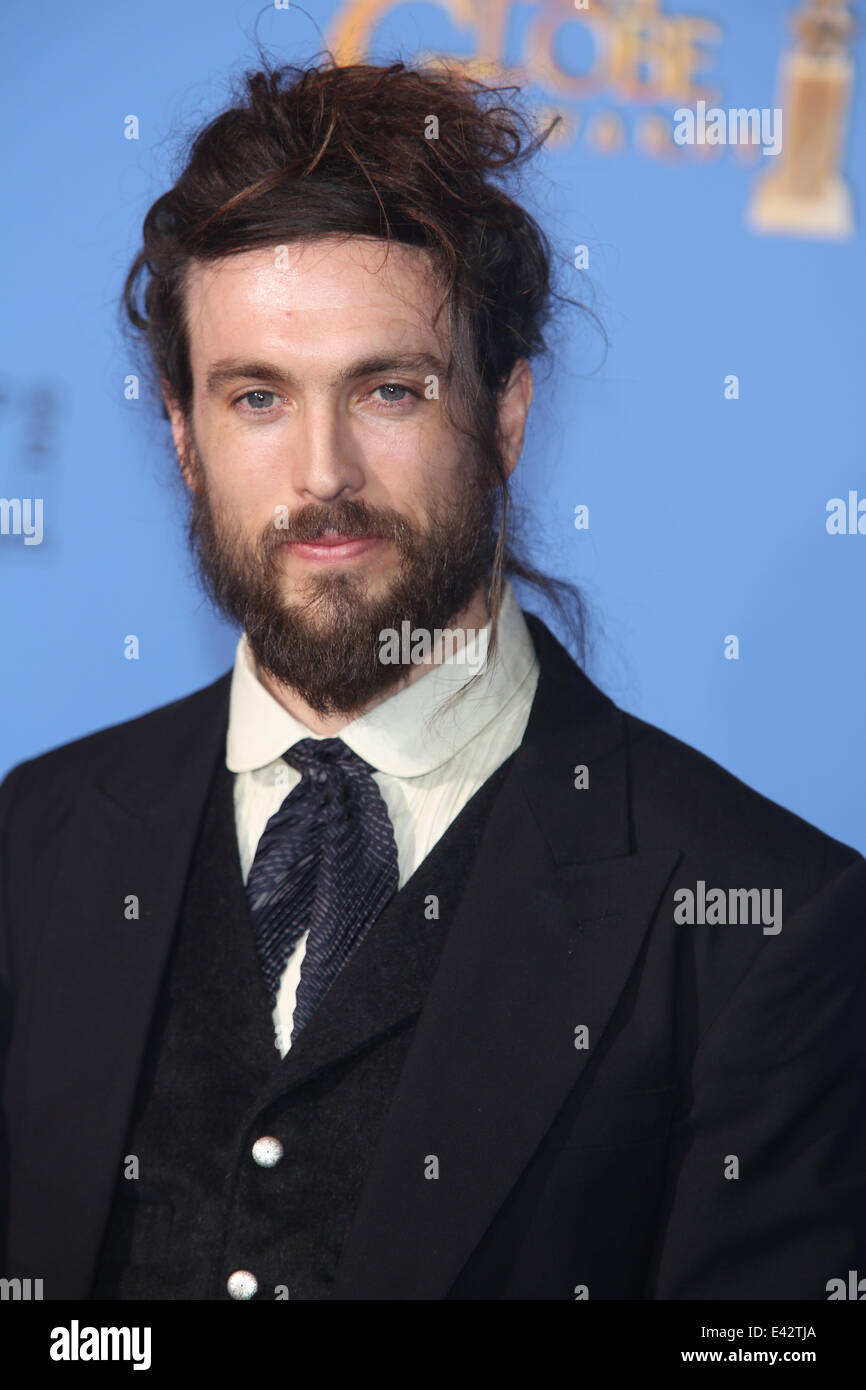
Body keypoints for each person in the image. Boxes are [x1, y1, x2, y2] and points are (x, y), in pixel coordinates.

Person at [1, 57, 864, 1303]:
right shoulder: (46, 832)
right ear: (182, 436)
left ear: (505, 413)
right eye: (256, 397)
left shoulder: (758, 916)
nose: (323, 476)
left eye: (388, 390)